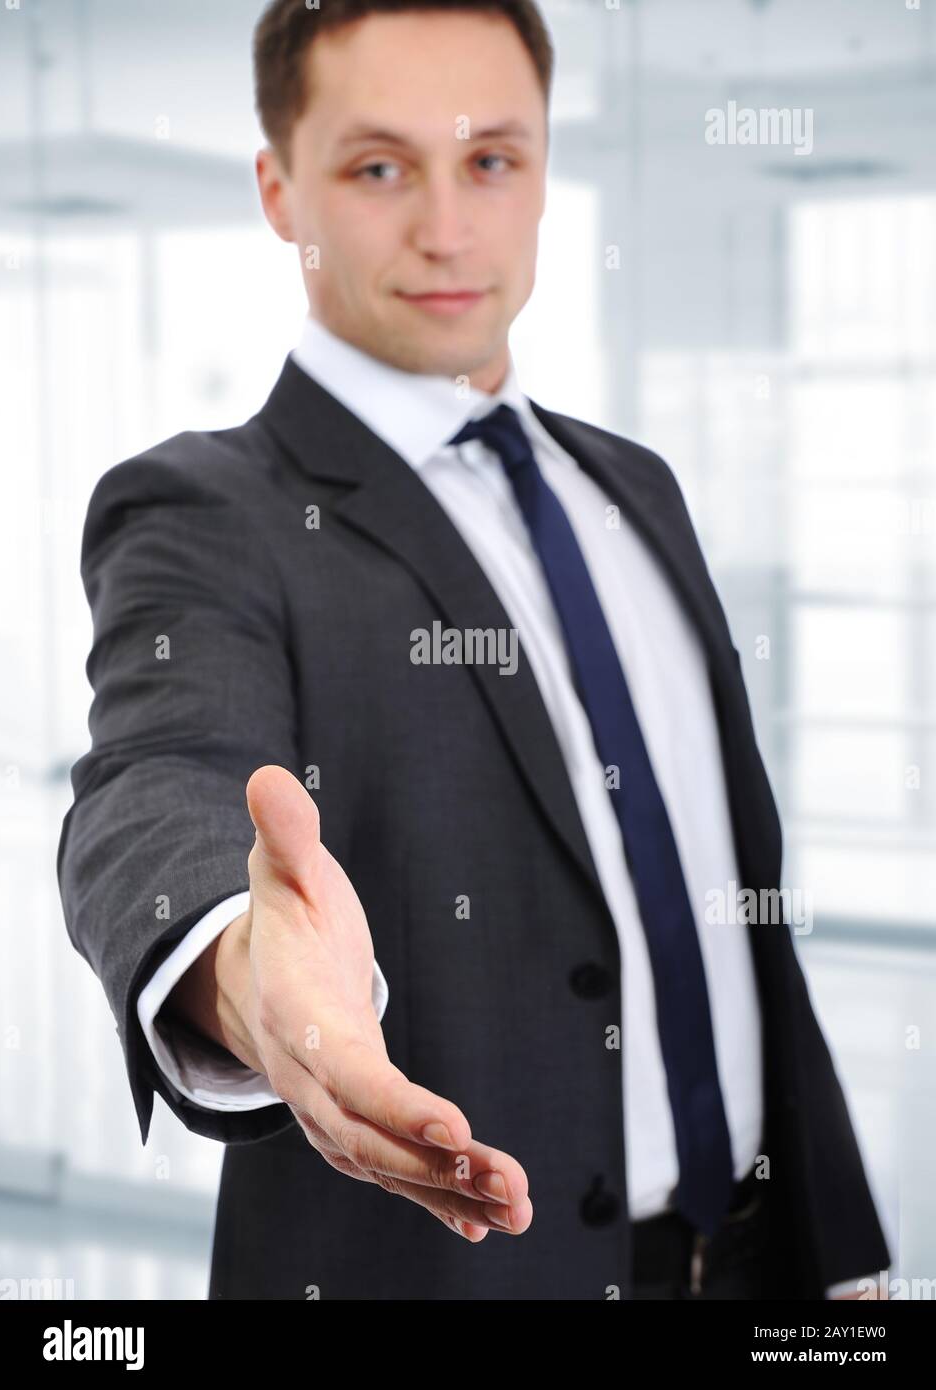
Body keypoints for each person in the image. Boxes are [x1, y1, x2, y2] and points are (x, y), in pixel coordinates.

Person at [57, 0, 891, 1300]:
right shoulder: (208, 510)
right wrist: (245, 968)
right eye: (379, 166)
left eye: (492, 160)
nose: (447, 228)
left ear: (547, 173)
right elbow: (159, 776)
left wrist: (841, 1254)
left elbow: (737, 917)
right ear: (281, 191)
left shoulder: (639, 490)